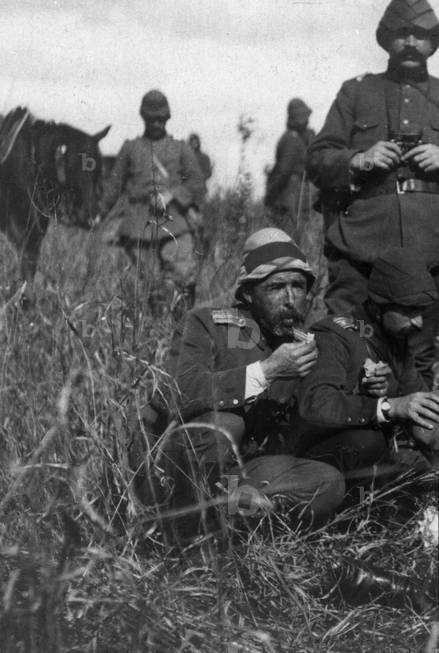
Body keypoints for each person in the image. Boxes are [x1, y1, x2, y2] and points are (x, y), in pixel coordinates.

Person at [307, 0, 439, 385]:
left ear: (434, 41)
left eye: (421, 35)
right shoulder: (357, 91)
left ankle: (412, 439)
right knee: (347, 340)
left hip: (433, 247)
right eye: (401, 33)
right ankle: (343, 433)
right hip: (361, 243)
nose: (411, 42)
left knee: (418, 354)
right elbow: (319, 159)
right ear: (385, 39)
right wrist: (359, 160)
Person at [134, 228, 345, 534]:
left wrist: (367, 387)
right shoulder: (207, 323)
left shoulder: (305, 344)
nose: (289, 299)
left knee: (328, 481)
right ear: (247, 294)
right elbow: (176, 392)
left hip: (239, 473)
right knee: (225, 426)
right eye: (276, 288)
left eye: (298, 287)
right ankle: (186, 532)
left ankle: (239, 516)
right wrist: (268, 370)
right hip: (176, 467)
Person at [295, 248, 439, 494]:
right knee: (368, 443)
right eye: (410, 311)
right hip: (314, 462)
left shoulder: (393, 342)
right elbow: (316, 404)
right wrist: (391, 407)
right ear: (378, 308)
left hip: (366, 462)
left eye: (421, 312)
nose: (419, 322)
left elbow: (427, 410)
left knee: (434, 480)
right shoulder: (334, 336)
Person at [100, 90, 206, 312]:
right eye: (152, 119)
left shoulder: (181, 149)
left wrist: (173, 194)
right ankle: (156, 332)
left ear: (167, 118)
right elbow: (113, 186)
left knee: (182, 279)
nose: (157, 123)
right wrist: (99, 212)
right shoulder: (130, 149)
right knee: (150, 286)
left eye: (161, 118)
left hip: (175, 221)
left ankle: (181, 333)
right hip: (138, 224)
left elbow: (197, 184)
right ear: (144, 118)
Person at [265, 98, 315, 231]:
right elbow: (284, 171)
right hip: (290, 196)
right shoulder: (292, 140)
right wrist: (271, 195)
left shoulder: (295, 138)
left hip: (293, 195)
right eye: (304, 118)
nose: (307, 121)